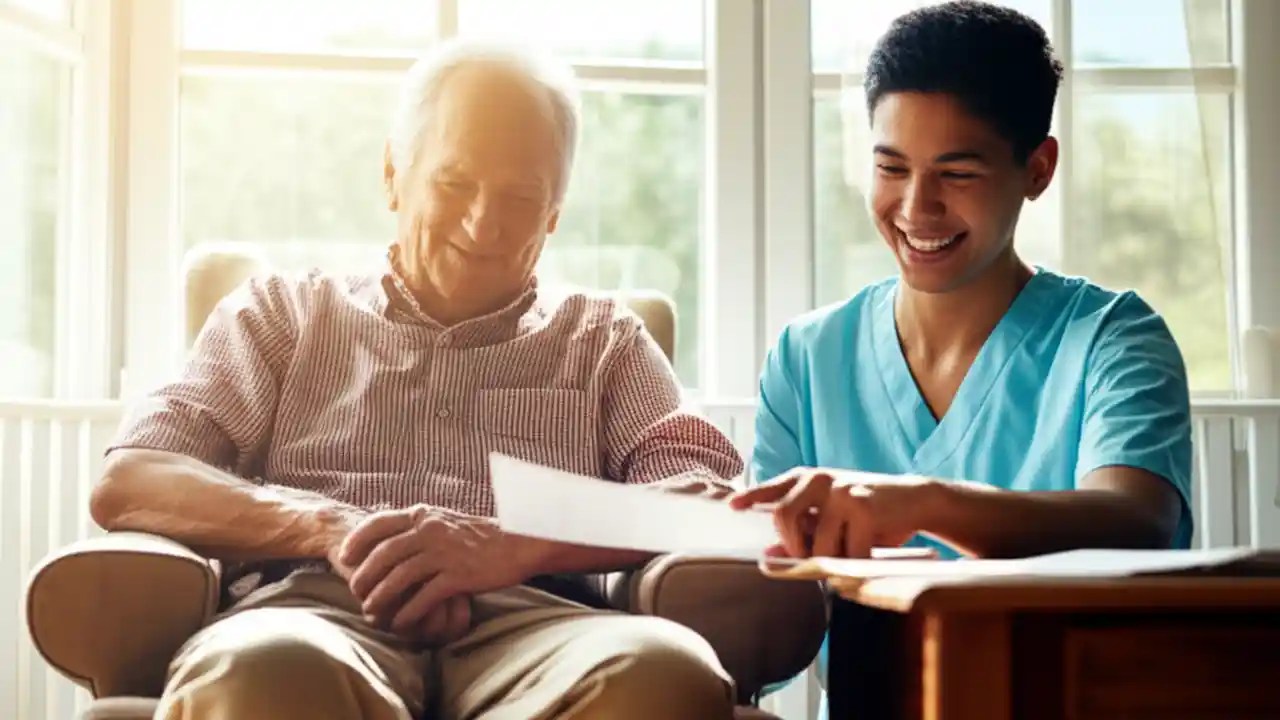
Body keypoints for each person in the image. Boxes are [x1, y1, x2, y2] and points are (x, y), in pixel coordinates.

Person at [90, 41, 742, 720]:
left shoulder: (604, 339)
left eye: (520, 198)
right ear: (393, 174)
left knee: (665, 672)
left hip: (545, 633)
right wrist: (329, 525)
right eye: (454, 184)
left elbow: (715, 503)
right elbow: (132, 479)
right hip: (311, 618)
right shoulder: (280, 315)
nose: (482, 224)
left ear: (555, 211)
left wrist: (510, 544)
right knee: (260, 667)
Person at [733, 0, 1191, 563]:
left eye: (957, 174)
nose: (916, 207)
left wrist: (924, 503)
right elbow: (769, 585)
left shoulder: (1113, 339)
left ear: (1038, 170)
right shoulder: (805, 357)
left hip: (1060, 656)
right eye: (891, 168)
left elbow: (1137, 520)